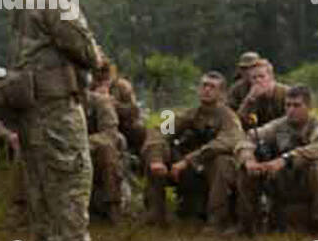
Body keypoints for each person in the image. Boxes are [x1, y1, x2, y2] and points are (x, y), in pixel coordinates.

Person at [11, 0, 120, 241]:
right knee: (73, 171)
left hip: (31, 97)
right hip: (56, 99)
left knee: (41, 175)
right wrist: (100, 62)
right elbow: (77, 41)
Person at [236, 85, 318, 237]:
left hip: (313, 184)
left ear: (309, 107)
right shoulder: (278, 125)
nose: (291, 110)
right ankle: (249, 223)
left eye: (296, 105)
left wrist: (286, 159)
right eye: (287, 105)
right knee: (246, 168)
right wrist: (249, 160)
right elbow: (247, 139)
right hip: (286, 181)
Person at [142, 72, 243, 231]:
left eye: (212, 87)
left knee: (223, 162)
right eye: (204, 85)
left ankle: (216, 221)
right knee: (158, 149)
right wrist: (156, 159)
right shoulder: (190, 113)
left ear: (222, 93)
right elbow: (158, 131)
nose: (207, 90)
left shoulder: (228, 117)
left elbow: (226, 141)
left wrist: (188, 160)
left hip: (212, 171)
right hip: (188, 170)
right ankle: (155, 215)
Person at [85, 82, 126, 223]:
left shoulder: (100, 101)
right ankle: (21, 208)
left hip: (92, 153)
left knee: (107, 150)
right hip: (60, 151)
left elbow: (110, 134)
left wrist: (82, 144)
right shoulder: (55, 105)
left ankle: (112, 206)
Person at [235, 59, 289, 131]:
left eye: (262, 76)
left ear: (271, 76)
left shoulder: (286, 93)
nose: (258, 80)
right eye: (254, 78)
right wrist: (248, 101)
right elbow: (237, 123)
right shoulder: (251, 96)